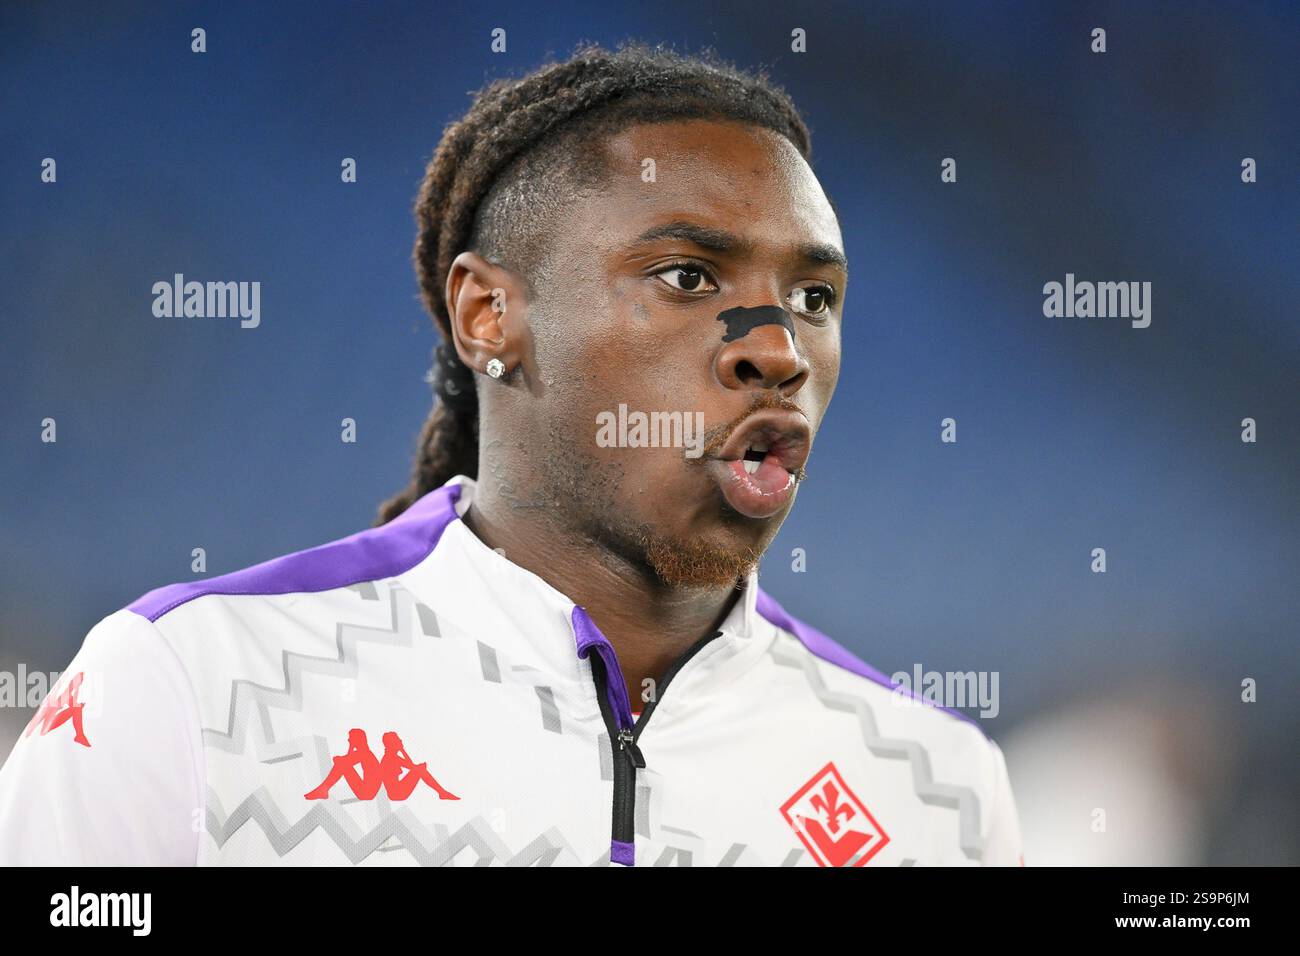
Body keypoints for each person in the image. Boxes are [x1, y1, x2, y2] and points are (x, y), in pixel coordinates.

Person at [0, 41, 1022, 866]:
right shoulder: (192, 685)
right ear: (489, 315)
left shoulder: (935, 787)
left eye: (814, 298)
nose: (775, 345)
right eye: (685, 274)